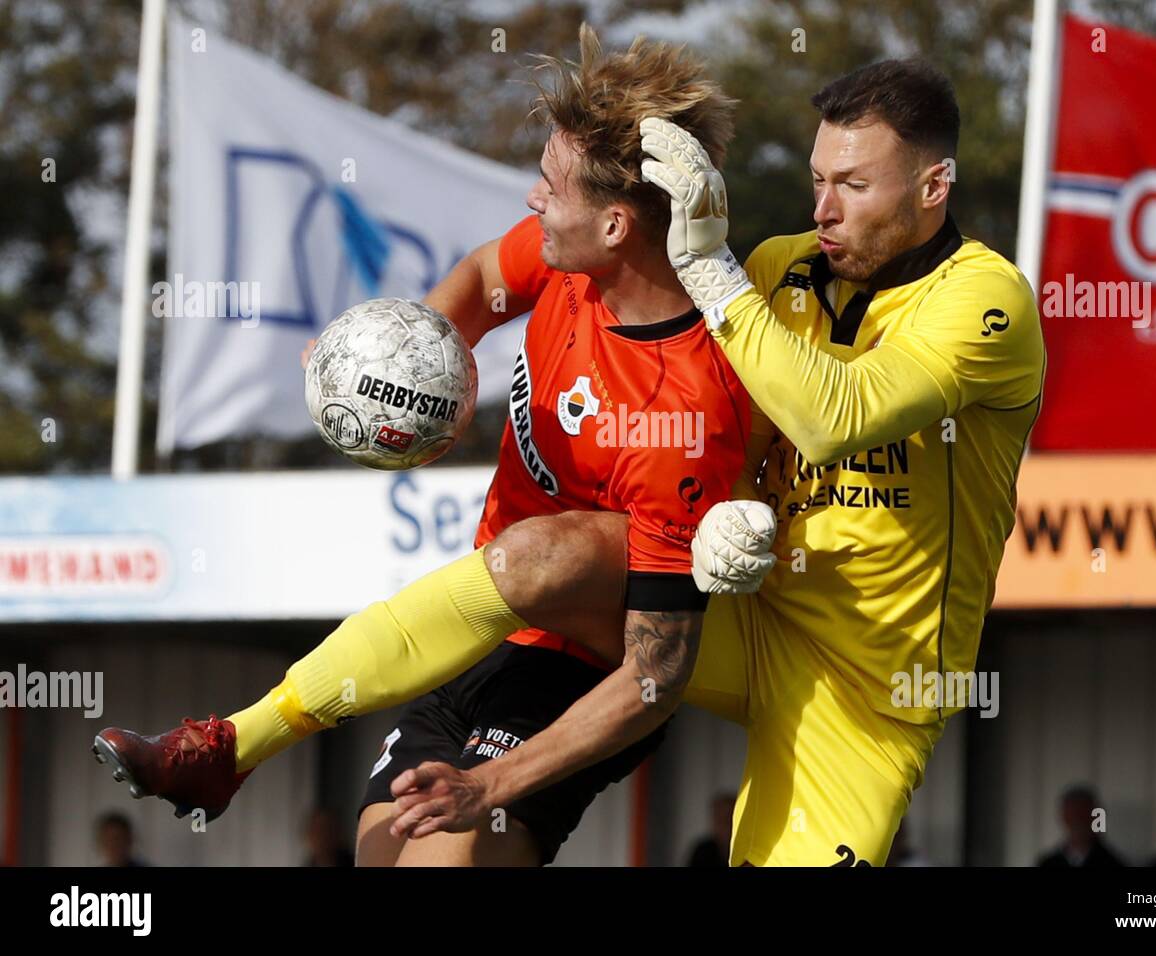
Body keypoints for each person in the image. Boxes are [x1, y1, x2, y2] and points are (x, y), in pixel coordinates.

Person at [93, 26, 757, 868]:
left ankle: (233, 744)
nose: (531, 201)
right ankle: (227, 757)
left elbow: (654, 678)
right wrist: (411, 364)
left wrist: (495, 783)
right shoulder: (568, 261)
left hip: (579, 680)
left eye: (550, 187)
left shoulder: (689, 411)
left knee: (533, 566)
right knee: (384, 857)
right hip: (479, 633)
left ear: (619, 223)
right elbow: (485, 278)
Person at [389, 58, 1045, 868]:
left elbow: (835, 417)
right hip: (742, 618)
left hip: (866, 688)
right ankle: (263, 727)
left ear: (933, 186)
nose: (823, 209)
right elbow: (739, 435)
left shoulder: (989, 301)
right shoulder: (777, 266)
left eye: (853, 185)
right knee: (544, 559)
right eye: (815, 180)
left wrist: (710, 271)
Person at [1036, 785, 1126, 867]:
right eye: (1072, 814)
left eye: (1083, 814)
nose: (1078, 820)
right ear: (1063, 817)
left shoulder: (1112, 863)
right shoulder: (1048, 863)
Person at [684, 792, 735, 867]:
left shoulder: (748, 852)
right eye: (720, 819)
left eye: (728, 819)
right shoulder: (702, 853)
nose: (725, 825)